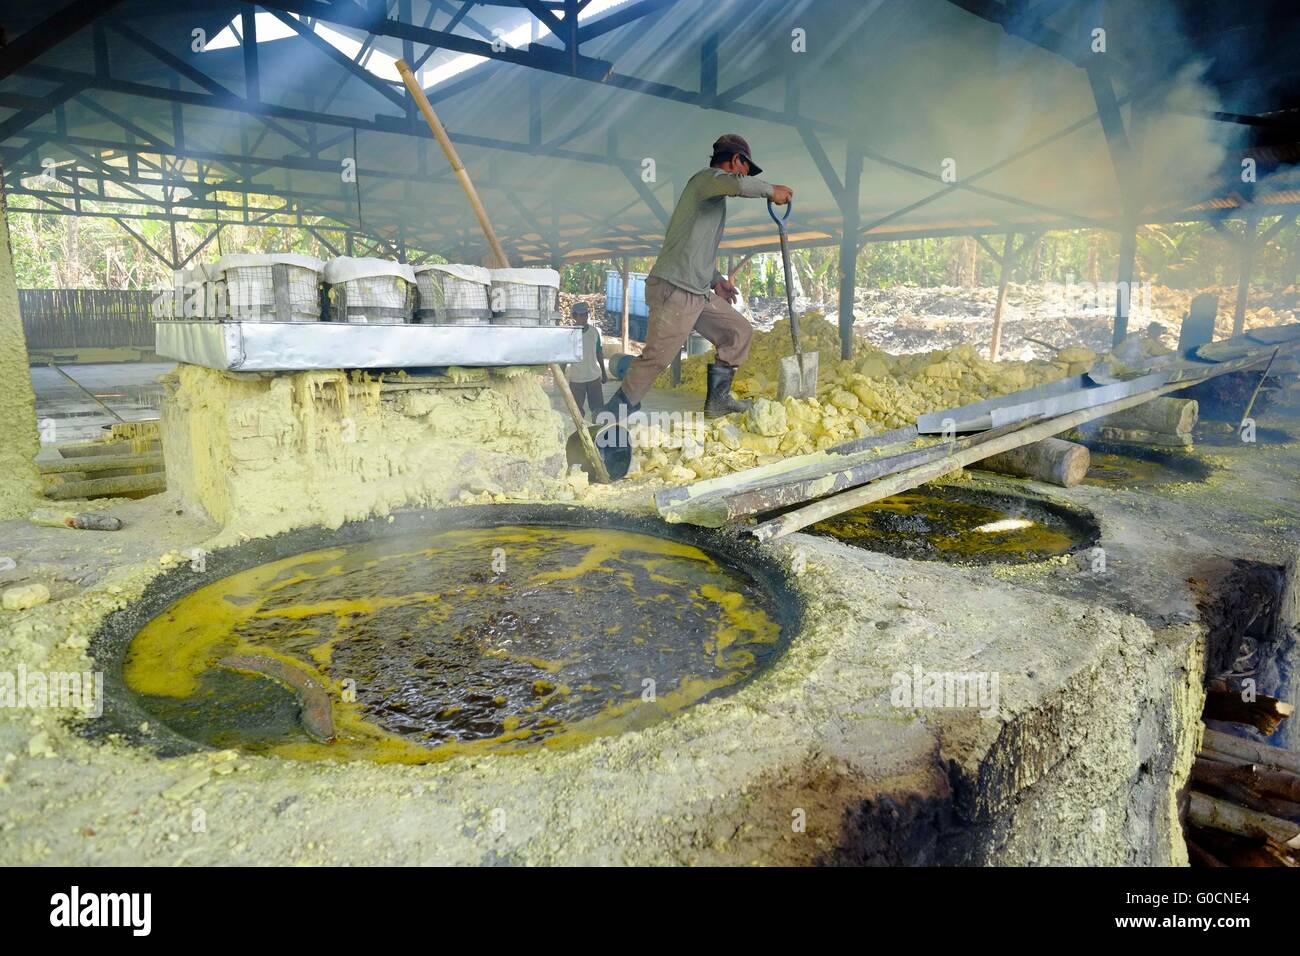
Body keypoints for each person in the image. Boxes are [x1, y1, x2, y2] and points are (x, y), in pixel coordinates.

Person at [601, 134, 793, 425]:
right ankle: (611, 417)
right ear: (736, 160)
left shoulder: (712, 198)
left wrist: (716, 280)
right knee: (657, 358)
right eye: (745, 167)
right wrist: (770, 190)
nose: (745, 174)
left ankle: (718, 400)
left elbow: (695, 248)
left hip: (698, 291)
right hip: (676, 289)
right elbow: (738, 185)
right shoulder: (705, 180)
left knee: (738, 331)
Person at [565, 302, 606, 418]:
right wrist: (561, 377)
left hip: (594, 378)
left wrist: (603, 372)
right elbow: (564, 357)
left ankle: (598, 427)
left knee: (598, 410)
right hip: (577, 380)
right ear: (574, 316)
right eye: (581, 315)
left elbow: (599, 352)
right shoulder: (569, 334)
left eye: (586, 314)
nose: (585, 317)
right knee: (576, 411)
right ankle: (580, 429)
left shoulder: (594, 332)